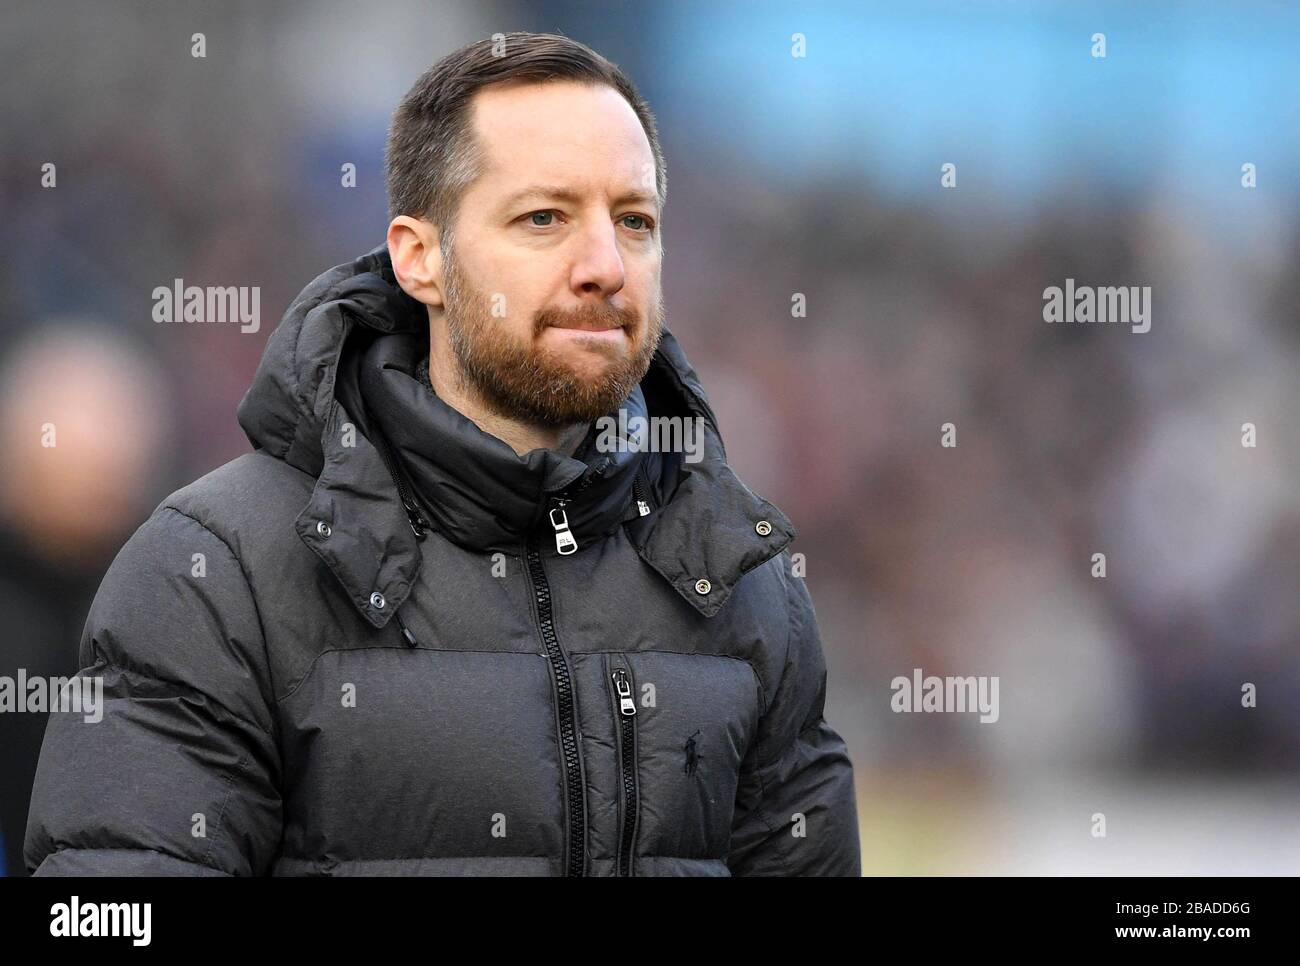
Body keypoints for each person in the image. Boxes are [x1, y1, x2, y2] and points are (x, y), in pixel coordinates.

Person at [25, 31, 860, 876]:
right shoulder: (215, 573)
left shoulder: (747, 588)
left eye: (634, 222)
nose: (605, 265)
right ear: (419, 258)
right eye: (545, 218)